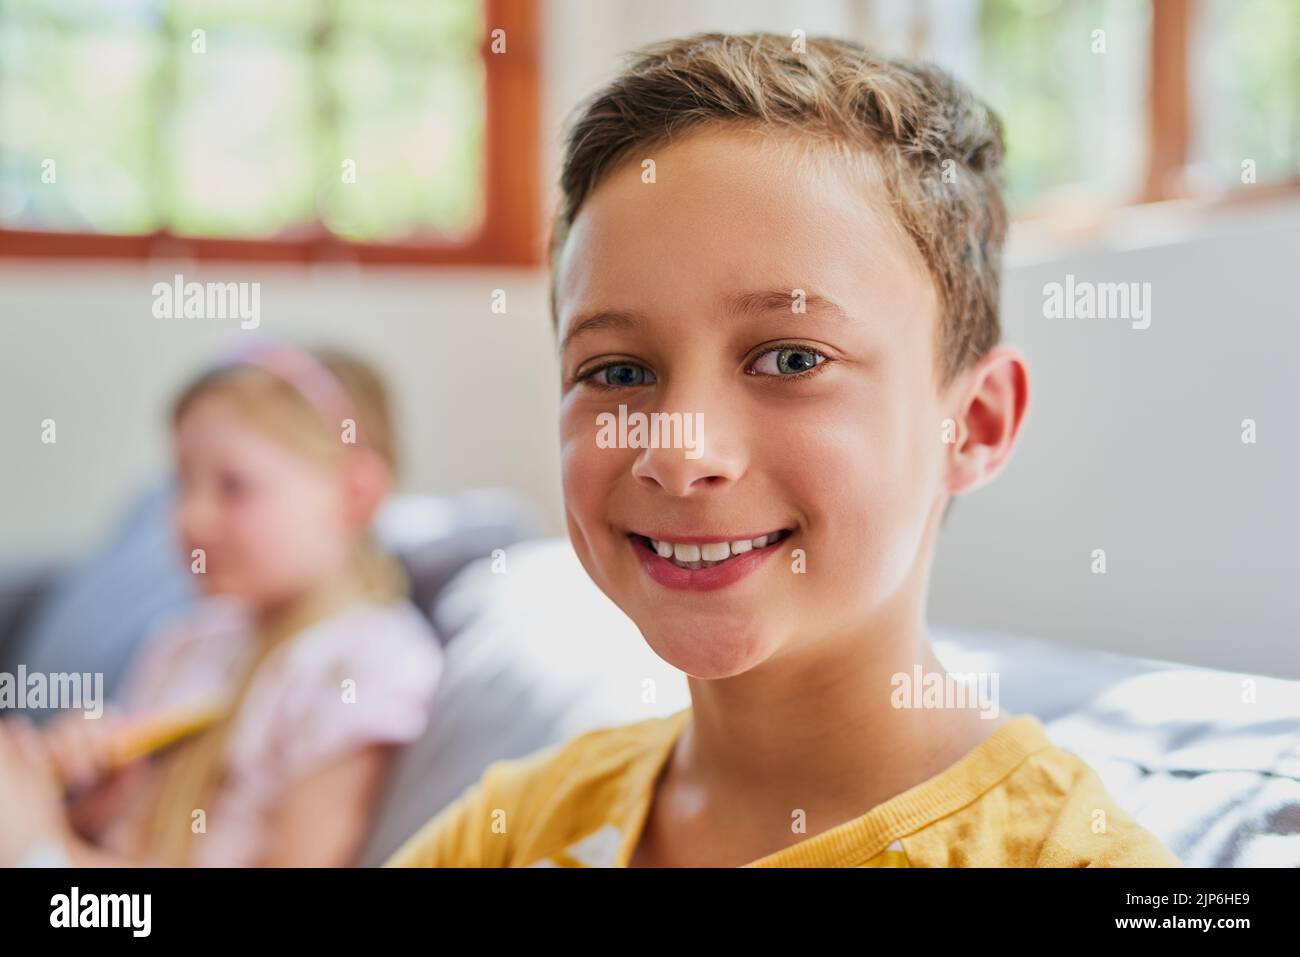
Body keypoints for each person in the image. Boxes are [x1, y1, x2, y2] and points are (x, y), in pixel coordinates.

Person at [386, 33, 1179, 867]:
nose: (680, 452)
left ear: (974, 425)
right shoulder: (508, 830)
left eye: (793, 358)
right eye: (617, 369)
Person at [0, 343, 443, 867]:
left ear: (355, 492)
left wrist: (44, 855)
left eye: (233, 487)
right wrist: (90, 810)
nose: (192, 518)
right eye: (182, 481)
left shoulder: (361, 665)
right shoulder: (192, 641)